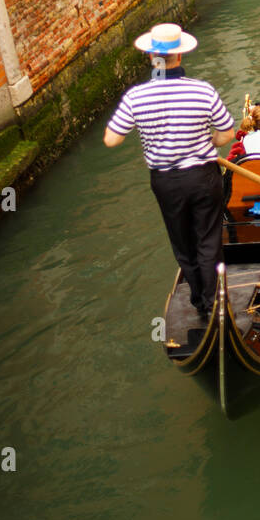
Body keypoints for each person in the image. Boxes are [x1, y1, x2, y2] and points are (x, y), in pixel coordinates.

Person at [103, 22, 234, 320]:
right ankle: (214, 302)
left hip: (165, 182)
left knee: (183, 242)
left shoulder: (135, 97)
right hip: (203, 176)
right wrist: (208, 142)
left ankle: (199, 302)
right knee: (209, 240)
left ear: (151, 57)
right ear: (180, 56)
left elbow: (111, 140)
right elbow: (227, 133)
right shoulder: (202, 90)